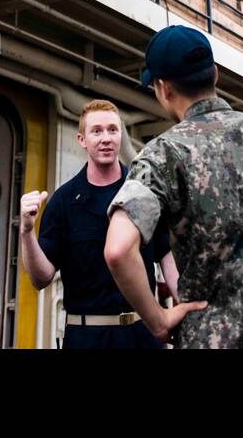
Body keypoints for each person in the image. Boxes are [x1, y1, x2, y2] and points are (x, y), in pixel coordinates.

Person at [105, 25, 243, 348]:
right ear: (216, 76)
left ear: (164, 89)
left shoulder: (164, 153)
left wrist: (157, 319)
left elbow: (117, 249)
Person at [19, 99, 179, 348]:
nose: (106, 138)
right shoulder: (63, 202)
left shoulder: (145, 192)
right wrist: (27, 232)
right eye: (97, 131)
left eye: (113, 130)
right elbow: (41, 278)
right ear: (82, 140)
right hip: (86, 337)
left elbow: (168, 260)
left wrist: (187, 313)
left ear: (120, 135)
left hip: (142, 335)